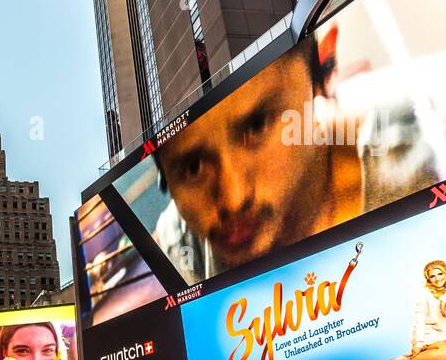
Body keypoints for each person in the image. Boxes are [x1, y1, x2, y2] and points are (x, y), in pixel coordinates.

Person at [151, 25, 363, 276]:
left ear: (320, 76)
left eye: (256, 126)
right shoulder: (180, 245)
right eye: (193, 167)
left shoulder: (413, 161)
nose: (234, 198)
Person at [389, 261, 446, 360]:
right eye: (432, 276)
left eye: (440, 274)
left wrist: (445, 299)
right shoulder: (424, 293)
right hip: (429, 332)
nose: (437, 279)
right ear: (428, 279)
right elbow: (420, 320)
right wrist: (418, 343)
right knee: (445, 351)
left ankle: (433, 352)